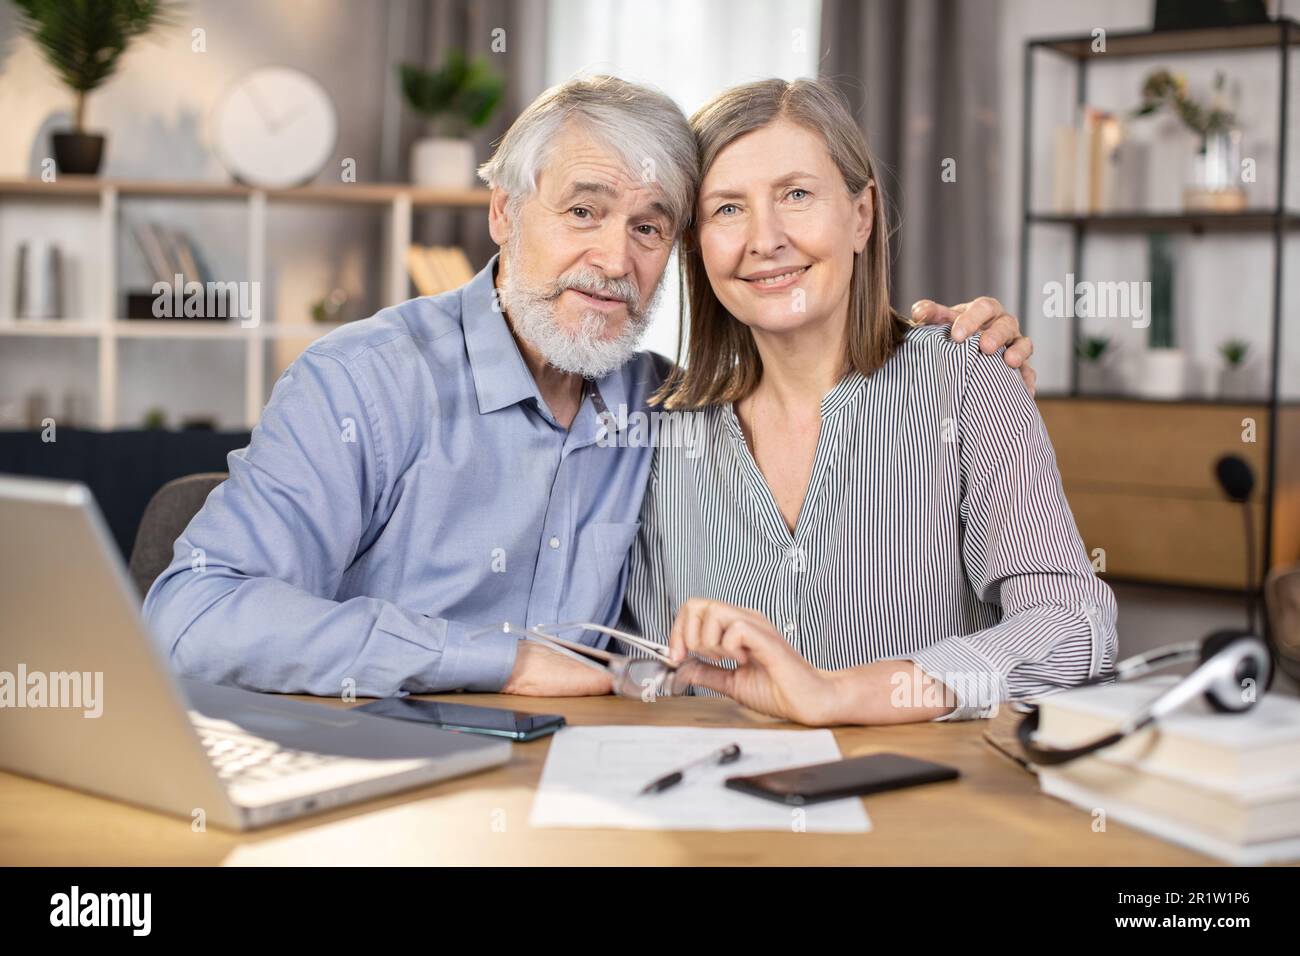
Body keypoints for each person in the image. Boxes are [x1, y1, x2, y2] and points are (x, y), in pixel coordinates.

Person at [144, 75, 1034, 699]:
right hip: (377, 784)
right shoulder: (366, 384)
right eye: (583, 211)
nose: (614, 260)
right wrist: (501, 660)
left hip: (587, 787)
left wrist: (965, 363)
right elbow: (192, 613)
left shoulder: (667, 407)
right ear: (503, 213)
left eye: (651, 227)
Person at [620, 78, 1116, 724]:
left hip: (924, 811)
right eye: (727, 209)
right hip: (723, 805)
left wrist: (842, 695)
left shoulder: (967, 377)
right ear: (697, 246)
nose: (765, 239)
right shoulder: (662, 431)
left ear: (860, 215)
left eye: (796, 195)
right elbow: (643, 672)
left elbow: (1076, 628)